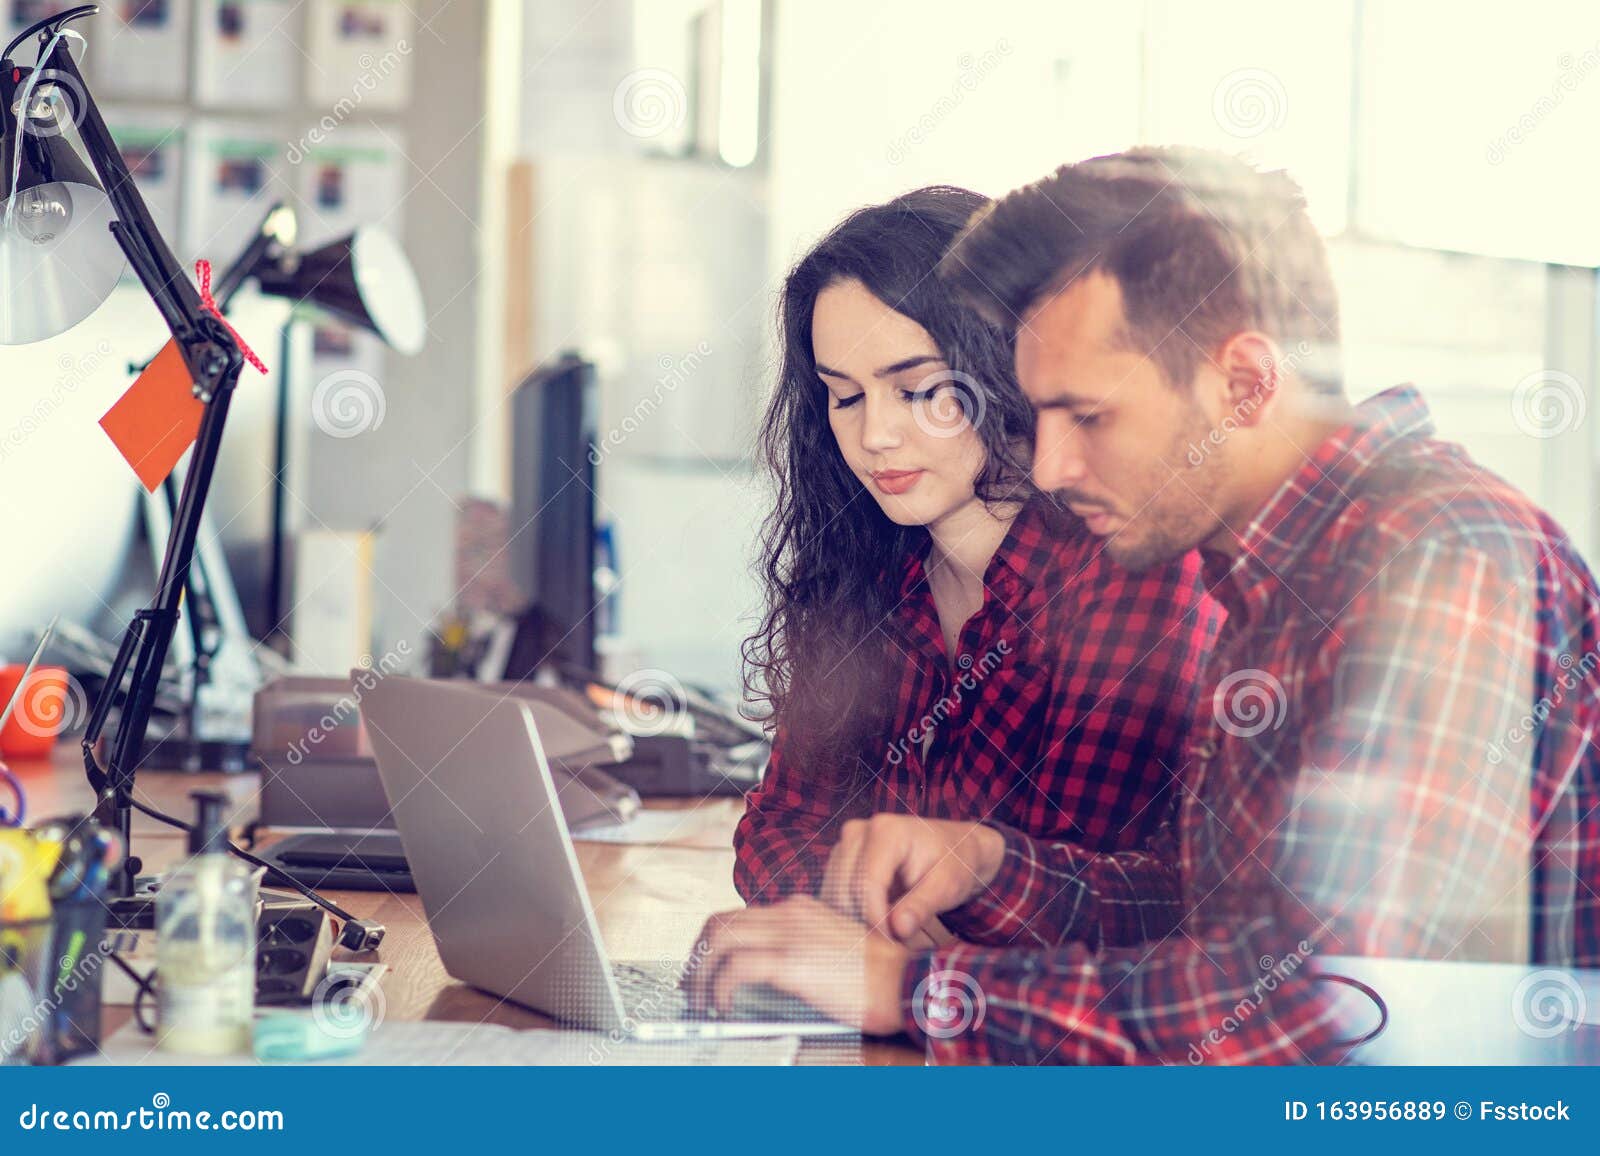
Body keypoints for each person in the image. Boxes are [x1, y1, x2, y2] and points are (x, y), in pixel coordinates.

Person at [689, 148, 1600, 1064]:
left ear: (1243, 386)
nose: (1045, 469)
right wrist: (995, 869)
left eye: (1088, 417)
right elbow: (1208, 927)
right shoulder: (1270, 574)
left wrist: (907, 987)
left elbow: (1325, 1006)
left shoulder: (1433, 559)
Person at [734, 186, 1222, 948]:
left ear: (1009, 364)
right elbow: (776, 831)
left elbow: (1099, 893)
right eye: (844, 397)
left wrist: (884, 932)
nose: (876, 436)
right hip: (893, 1026)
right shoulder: (864, 579)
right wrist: (891, 931)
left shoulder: (1138, 572)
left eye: (919, 390)